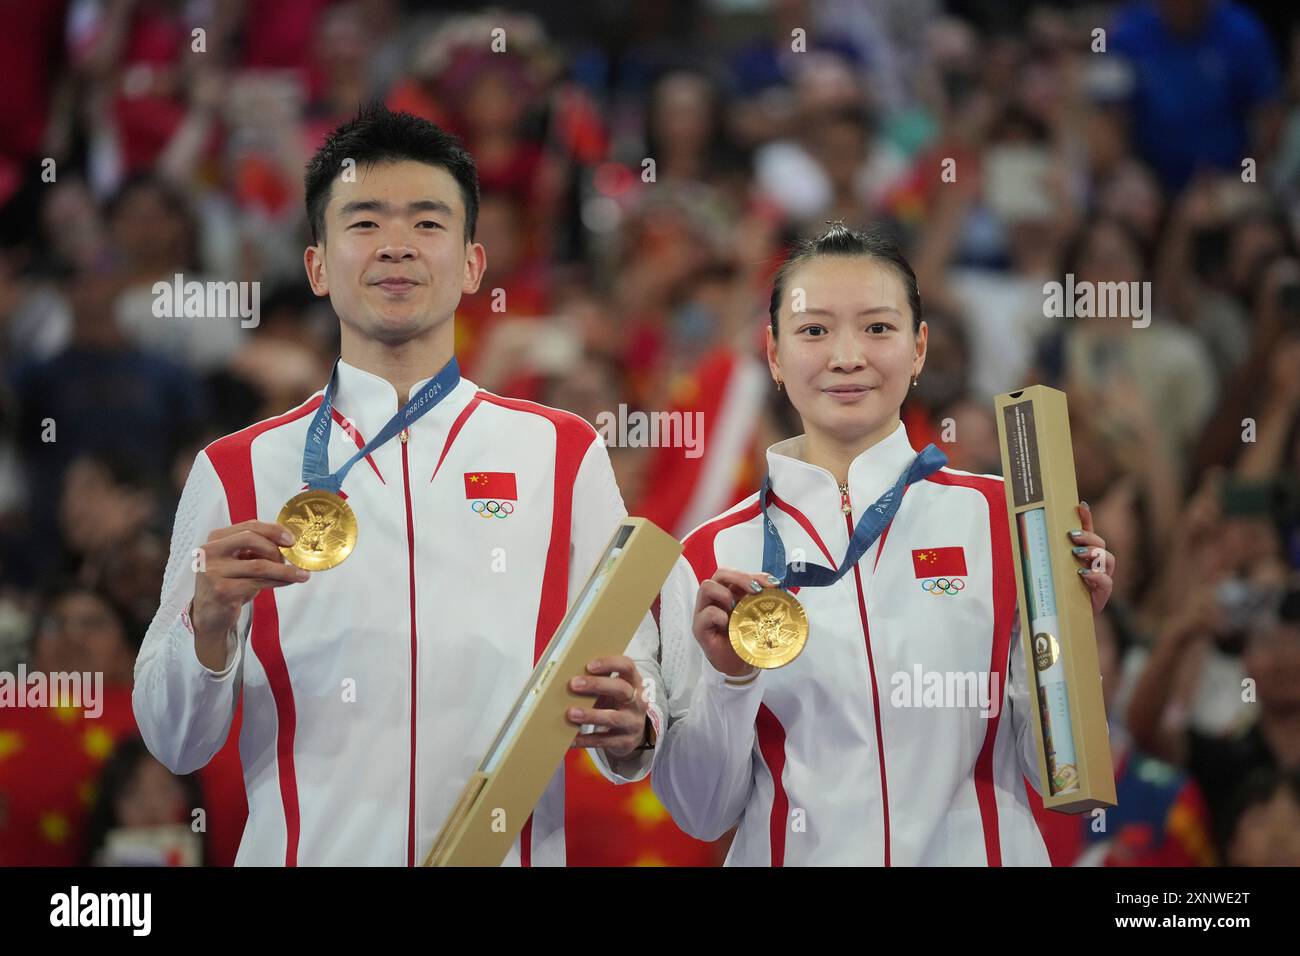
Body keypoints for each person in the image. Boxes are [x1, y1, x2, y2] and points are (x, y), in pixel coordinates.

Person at [132, 106, 658, 866]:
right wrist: (206, 623)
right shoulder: (237, 467)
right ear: (317, 265)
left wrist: (636, 718)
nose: (397, 248)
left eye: (428, 223)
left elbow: (634, 676)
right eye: (365, 222)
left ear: (473, 264)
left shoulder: (562, 452)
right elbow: (175, 739)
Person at [643, 224, 1116, 865]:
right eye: (813, 331)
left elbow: (1062, 778)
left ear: (919, 348)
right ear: (775, 355)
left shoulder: (1006, 520)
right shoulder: (709, 556)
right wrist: (730, 681)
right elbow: (702, 815)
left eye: (877, 328)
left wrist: (1066, 633)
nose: (846, 356)